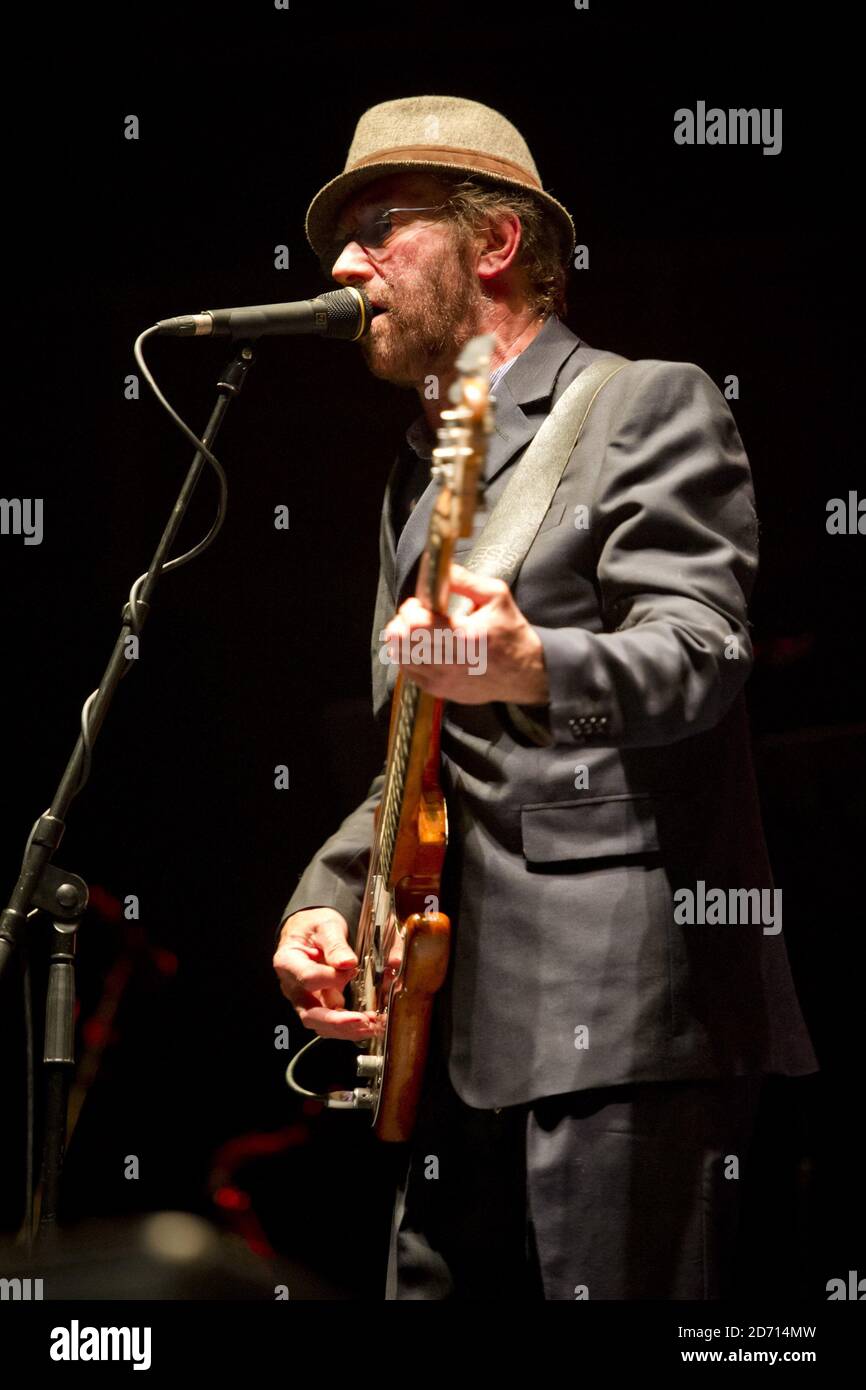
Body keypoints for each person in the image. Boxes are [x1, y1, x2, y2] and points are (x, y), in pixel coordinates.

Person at [272, 95, 818, 1300]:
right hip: (444, 1032)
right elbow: (422, 756)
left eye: (377, 230)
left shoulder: (640, 402)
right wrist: (329, 901)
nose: (342, 267)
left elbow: (701, 653)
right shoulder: (419, 473)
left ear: (495, 242)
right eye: (336, 245)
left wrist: (538, 666)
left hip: (617, 1016)